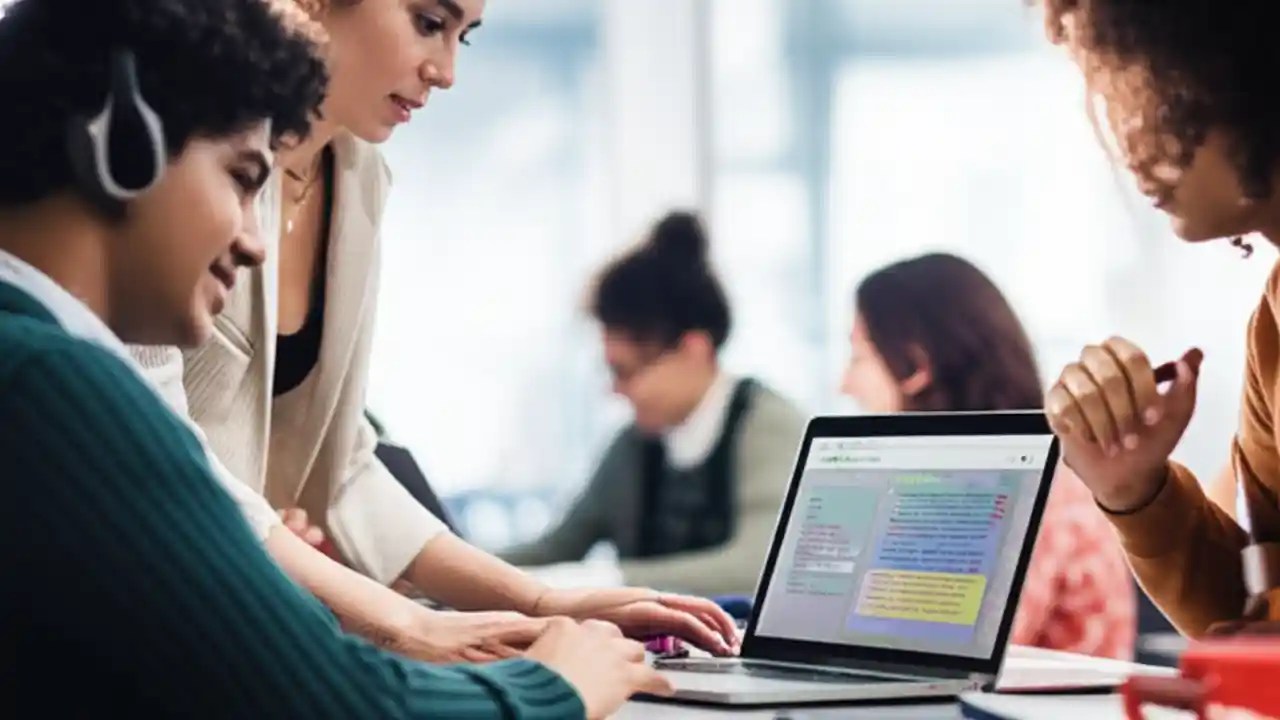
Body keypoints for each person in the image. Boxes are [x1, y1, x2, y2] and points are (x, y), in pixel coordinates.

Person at [0, 0, 671, 716]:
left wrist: (536, 604)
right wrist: (558, 685)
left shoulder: (44, 353)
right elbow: (342, 701)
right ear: (122, 145)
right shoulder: (53, 381)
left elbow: (340, 461)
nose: (254, 241)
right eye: (240, 176)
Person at [128, 0, 740, 658]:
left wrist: (538, 602)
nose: (446, 72)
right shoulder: (184, 155)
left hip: (229, 622)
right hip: (143, 615)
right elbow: (165, 457)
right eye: (428, 23)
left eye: (463, 40)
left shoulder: (359, 175)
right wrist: (409, 624)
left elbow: (346, 465)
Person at [1035, 0, 1280, 637]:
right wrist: (1137, 491)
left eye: (1147, 84)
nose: (1124, 133)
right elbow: (1246, 615)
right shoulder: (1273, 321)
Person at [841, 253, 1136, 659]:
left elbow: (948, 655)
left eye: (858, 357)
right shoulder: (961, 486)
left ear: (915, 366)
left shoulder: (1035, 488)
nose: (845, 384)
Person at [501, 211, 807, 597]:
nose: (615, 390)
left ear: (693, 350)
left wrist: (608, 581)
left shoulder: (769, 427)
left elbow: (759, 566)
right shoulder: (633, 444)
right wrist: (436, 565)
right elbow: (555, 548)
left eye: (626, 372)